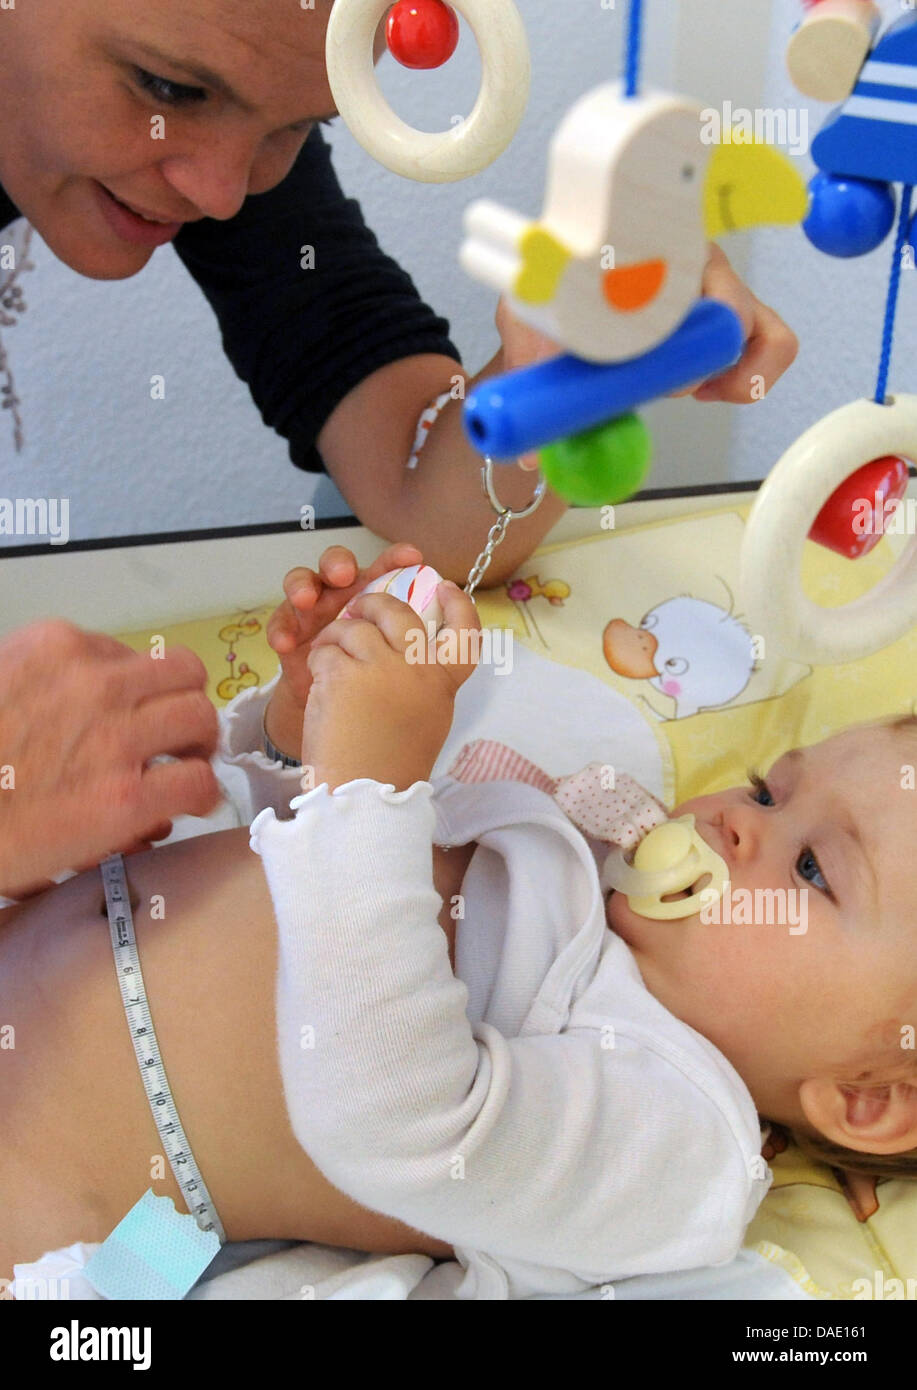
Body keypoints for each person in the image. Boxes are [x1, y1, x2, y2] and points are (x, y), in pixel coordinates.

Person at [0, 5, 797, 922]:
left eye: (297, 126)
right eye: (170, 89)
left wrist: (575, 366)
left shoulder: (235, 128)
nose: (222, 191)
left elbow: (435, 510)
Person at [2, 544, 915, 1299]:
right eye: (768, 787)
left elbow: (408, 1127)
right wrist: (306, 734)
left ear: (868, 1097)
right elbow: (290, 864)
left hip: (63, 1189)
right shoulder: (570, 856)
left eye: (811, 868)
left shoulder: (681, 1138)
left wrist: (365, 784)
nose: (737, 819)